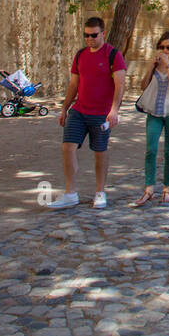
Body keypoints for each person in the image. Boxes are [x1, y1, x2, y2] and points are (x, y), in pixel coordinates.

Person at [52, 17, 127, 210]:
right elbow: (73, 84)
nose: (89, 39)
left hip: (101, 113)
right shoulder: (80, 55)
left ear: (102, 33)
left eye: (93, 35)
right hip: (79, 110)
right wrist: (64, 108)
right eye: (86, 35)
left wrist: (114, 110)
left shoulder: (113, 55)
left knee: (99, 151)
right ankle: (70, 193)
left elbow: (120, 84)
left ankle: (100, 192)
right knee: (67, 147)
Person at [132, 30, 169, 207]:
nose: (165, 50)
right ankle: (149, 188)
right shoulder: (156, 64)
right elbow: (143, 86)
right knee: (151, 149)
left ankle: (166, 188)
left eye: (168, 47)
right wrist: (150, 67)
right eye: (161, 47)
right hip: (155, 112)